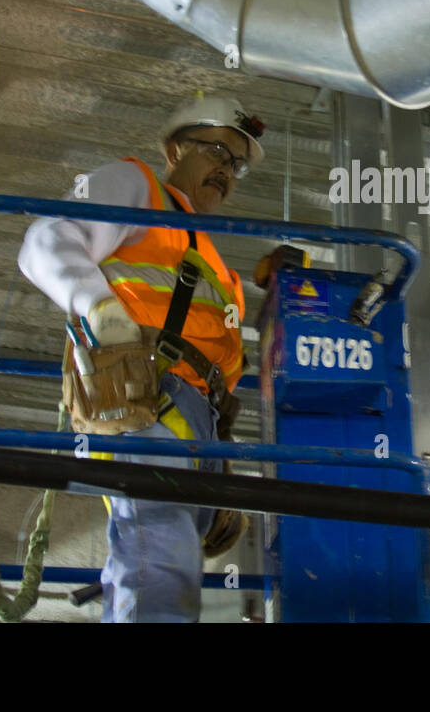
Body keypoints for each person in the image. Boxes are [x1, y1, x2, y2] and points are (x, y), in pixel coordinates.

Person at [18, 95, 265, 622]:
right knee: (160, 541)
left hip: (198, 422)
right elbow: (46, 238)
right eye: (216, 149)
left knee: (158, 546)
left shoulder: (211, 259)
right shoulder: (139, 188)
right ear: (175, 149)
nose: (225, 168)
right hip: (148, 396)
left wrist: (282, 283)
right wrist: (103, 313)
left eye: (235, 162)